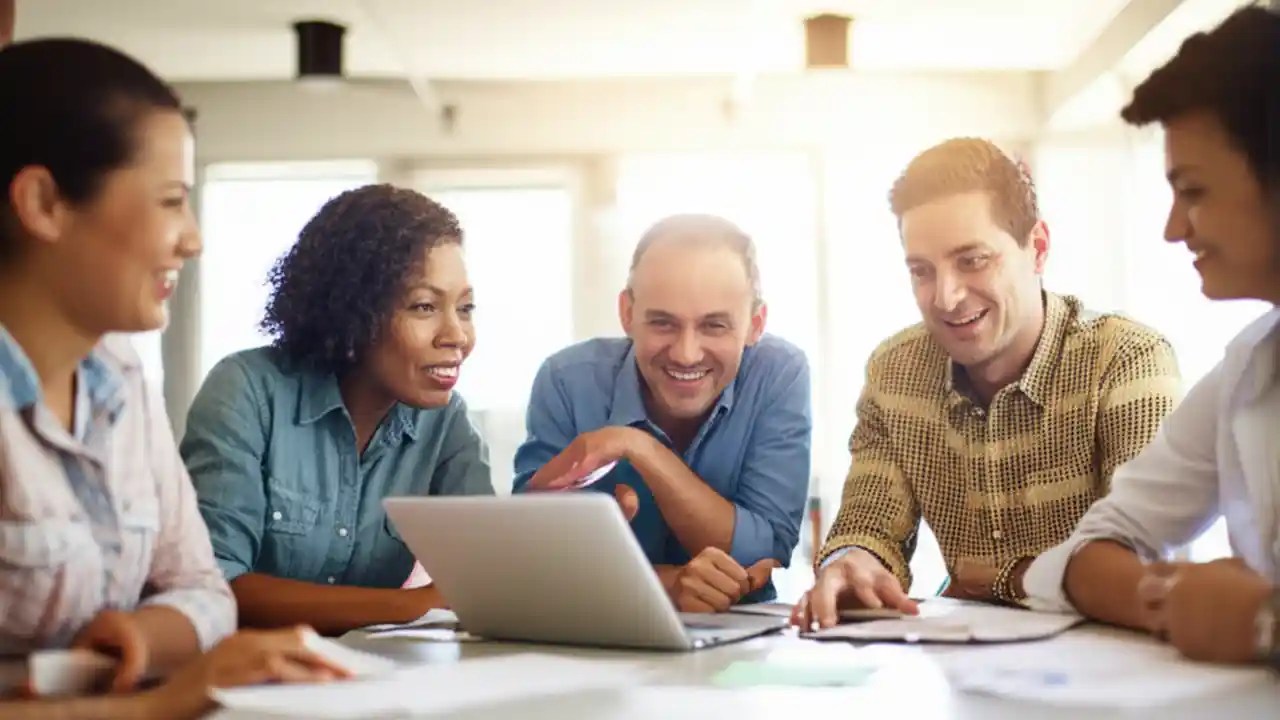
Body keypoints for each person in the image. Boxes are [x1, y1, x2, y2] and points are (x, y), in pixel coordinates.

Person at [0, 37, 343, 717]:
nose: (193, 237)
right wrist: (156, 704)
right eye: (169, 201)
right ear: (43, 202)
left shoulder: (121, 379)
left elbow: (203, 589)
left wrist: (142, 637)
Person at [793, 138, 1182, 628]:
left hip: (1112, 677)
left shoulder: (1126, 359)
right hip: (970, 677)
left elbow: (1144, 559)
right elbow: (870, 525)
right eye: (922, 271)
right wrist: (849, 564)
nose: (947, 297)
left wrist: (1003, 579)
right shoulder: (895, 372)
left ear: (1037, 248)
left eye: (973, 260)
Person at [1024, 6, 1280, 668]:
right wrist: (1175, 604)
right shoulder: (1249, 371)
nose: (1173, 229)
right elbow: (1088, 550)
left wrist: (1262, 622)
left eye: (1193, 190)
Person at [182, 184, 494, 636]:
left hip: (368, 681)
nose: (458, 335)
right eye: (424, 306)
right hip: (250, 682)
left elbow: (486, 576)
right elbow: (216, 584)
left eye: (465, 308)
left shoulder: (444, 423)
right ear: (353, 311)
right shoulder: (247, 391)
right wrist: (408, 606)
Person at [514, 214, 811, 610]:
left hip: (740, 633)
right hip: (597, 629)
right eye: (663, 323)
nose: (687, 353)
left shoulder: (779, 373)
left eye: (715, 326)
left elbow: (762, 552)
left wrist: (640, 448)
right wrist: (663, 583)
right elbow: (529, 552)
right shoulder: (567, 380)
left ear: (755, 325)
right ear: (627, 314)